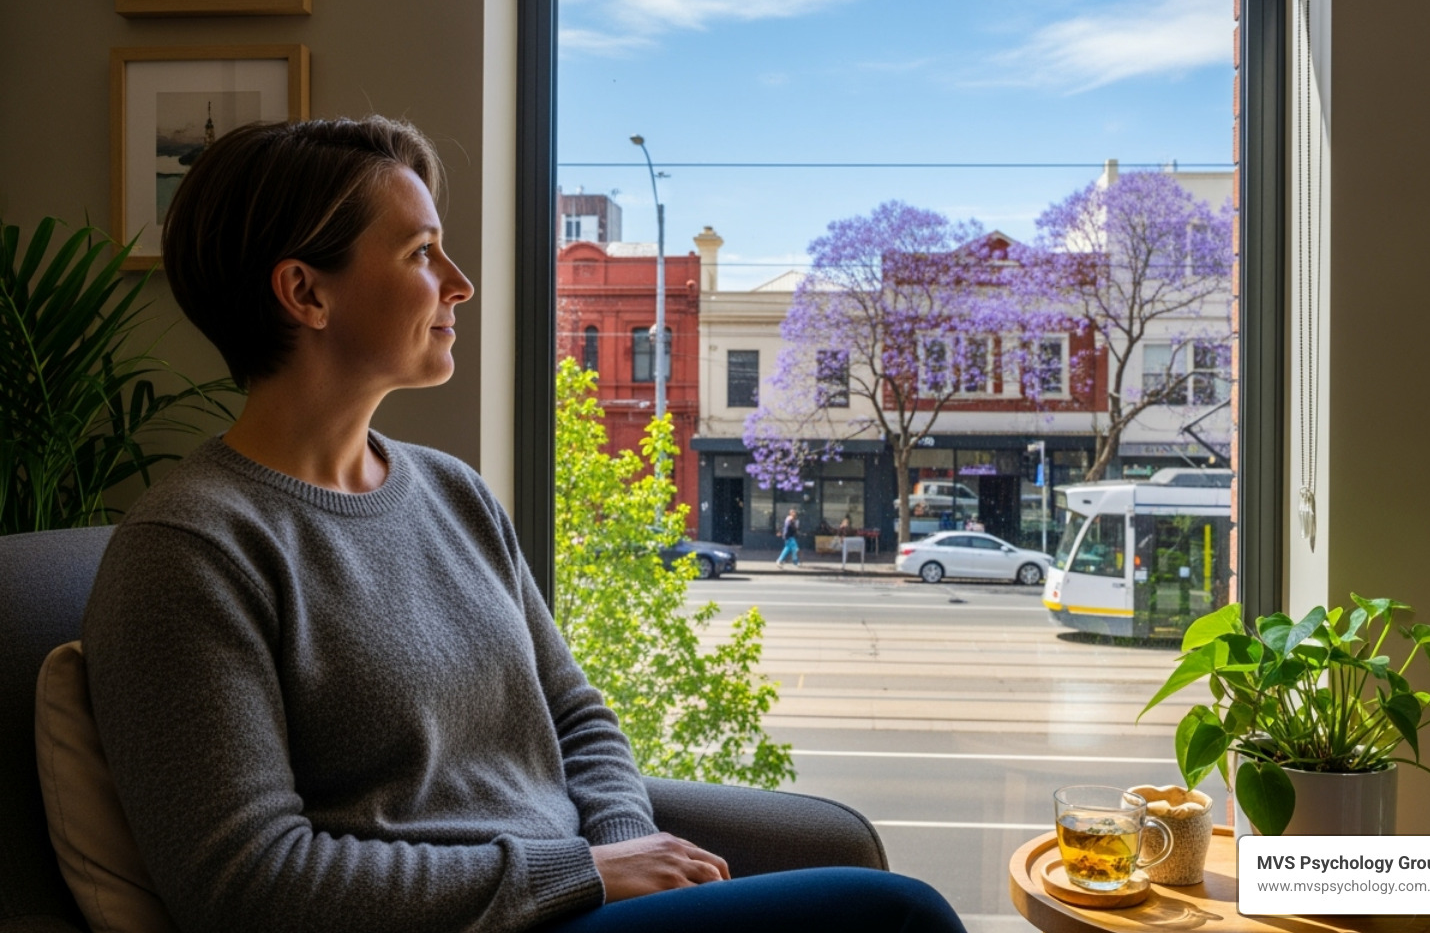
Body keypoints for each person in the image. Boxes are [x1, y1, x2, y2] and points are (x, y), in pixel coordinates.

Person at [81, 117, 965, 933]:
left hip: (577, 903)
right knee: (898, 918)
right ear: (306, 293)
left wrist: (635, 855)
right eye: (424, 253)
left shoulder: (452, 491)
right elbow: (244, 883)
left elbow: (576, 714)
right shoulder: (191, 550)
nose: (461, 284)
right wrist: (578, 873)